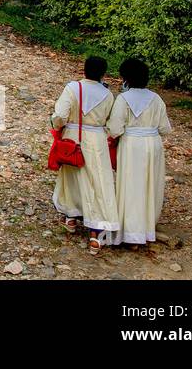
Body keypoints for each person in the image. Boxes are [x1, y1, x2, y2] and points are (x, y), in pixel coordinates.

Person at [51, 56, 118, 255]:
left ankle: (70, 218)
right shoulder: (108, 95)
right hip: (97, 139)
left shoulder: (72, 88)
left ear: (84, 70)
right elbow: (110, 122)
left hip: (73, 138)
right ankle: (95, 235)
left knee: (72, 178)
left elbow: (60, 116)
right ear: (103, 73)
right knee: (98, 182)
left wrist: (56, 125)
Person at [105, 58, 171, 248]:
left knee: (131, 185)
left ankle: (131, 231)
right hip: (153, 143)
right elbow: (165, 128)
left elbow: (115, 128)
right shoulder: (156, 99)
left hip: (132, 144)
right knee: (151, 184)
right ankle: (146, 226)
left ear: (126, 78)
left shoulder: (123, 99)